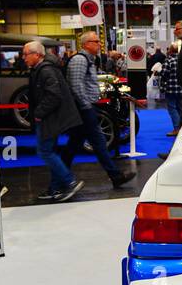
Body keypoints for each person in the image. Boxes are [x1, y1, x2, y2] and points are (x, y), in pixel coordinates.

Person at [59, 32, 135, 189]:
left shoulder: (88, 60)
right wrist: (86, 106)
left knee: (75, 144)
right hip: (84, 109)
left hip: (85, 108)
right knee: (97, 142)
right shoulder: (80, 60)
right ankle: (115, 176)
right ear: (86, 44)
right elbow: (76, 85)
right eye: (95, 41)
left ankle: (60, 175)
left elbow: (86, 81)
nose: (99, 44)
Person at [23, 41, 83, 202]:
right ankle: (56, 187)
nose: (23, 58)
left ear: (37, 55)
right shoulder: (43, 69)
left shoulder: (45, 70)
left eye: (26, 54)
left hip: (49, 118)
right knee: (49, 151)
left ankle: (68, 181)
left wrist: (38, 113)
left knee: (45, 151)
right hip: (51, 118)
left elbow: (54, 95)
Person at [161, 45, 182, 133]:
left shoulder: (168, 60)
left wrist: (158, 72)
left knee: (172, 108)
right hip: (181, 88)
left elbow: (164, 73)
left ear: (170, 50)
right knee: (180, 108)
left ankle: (177, 129)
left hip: (171, 88)